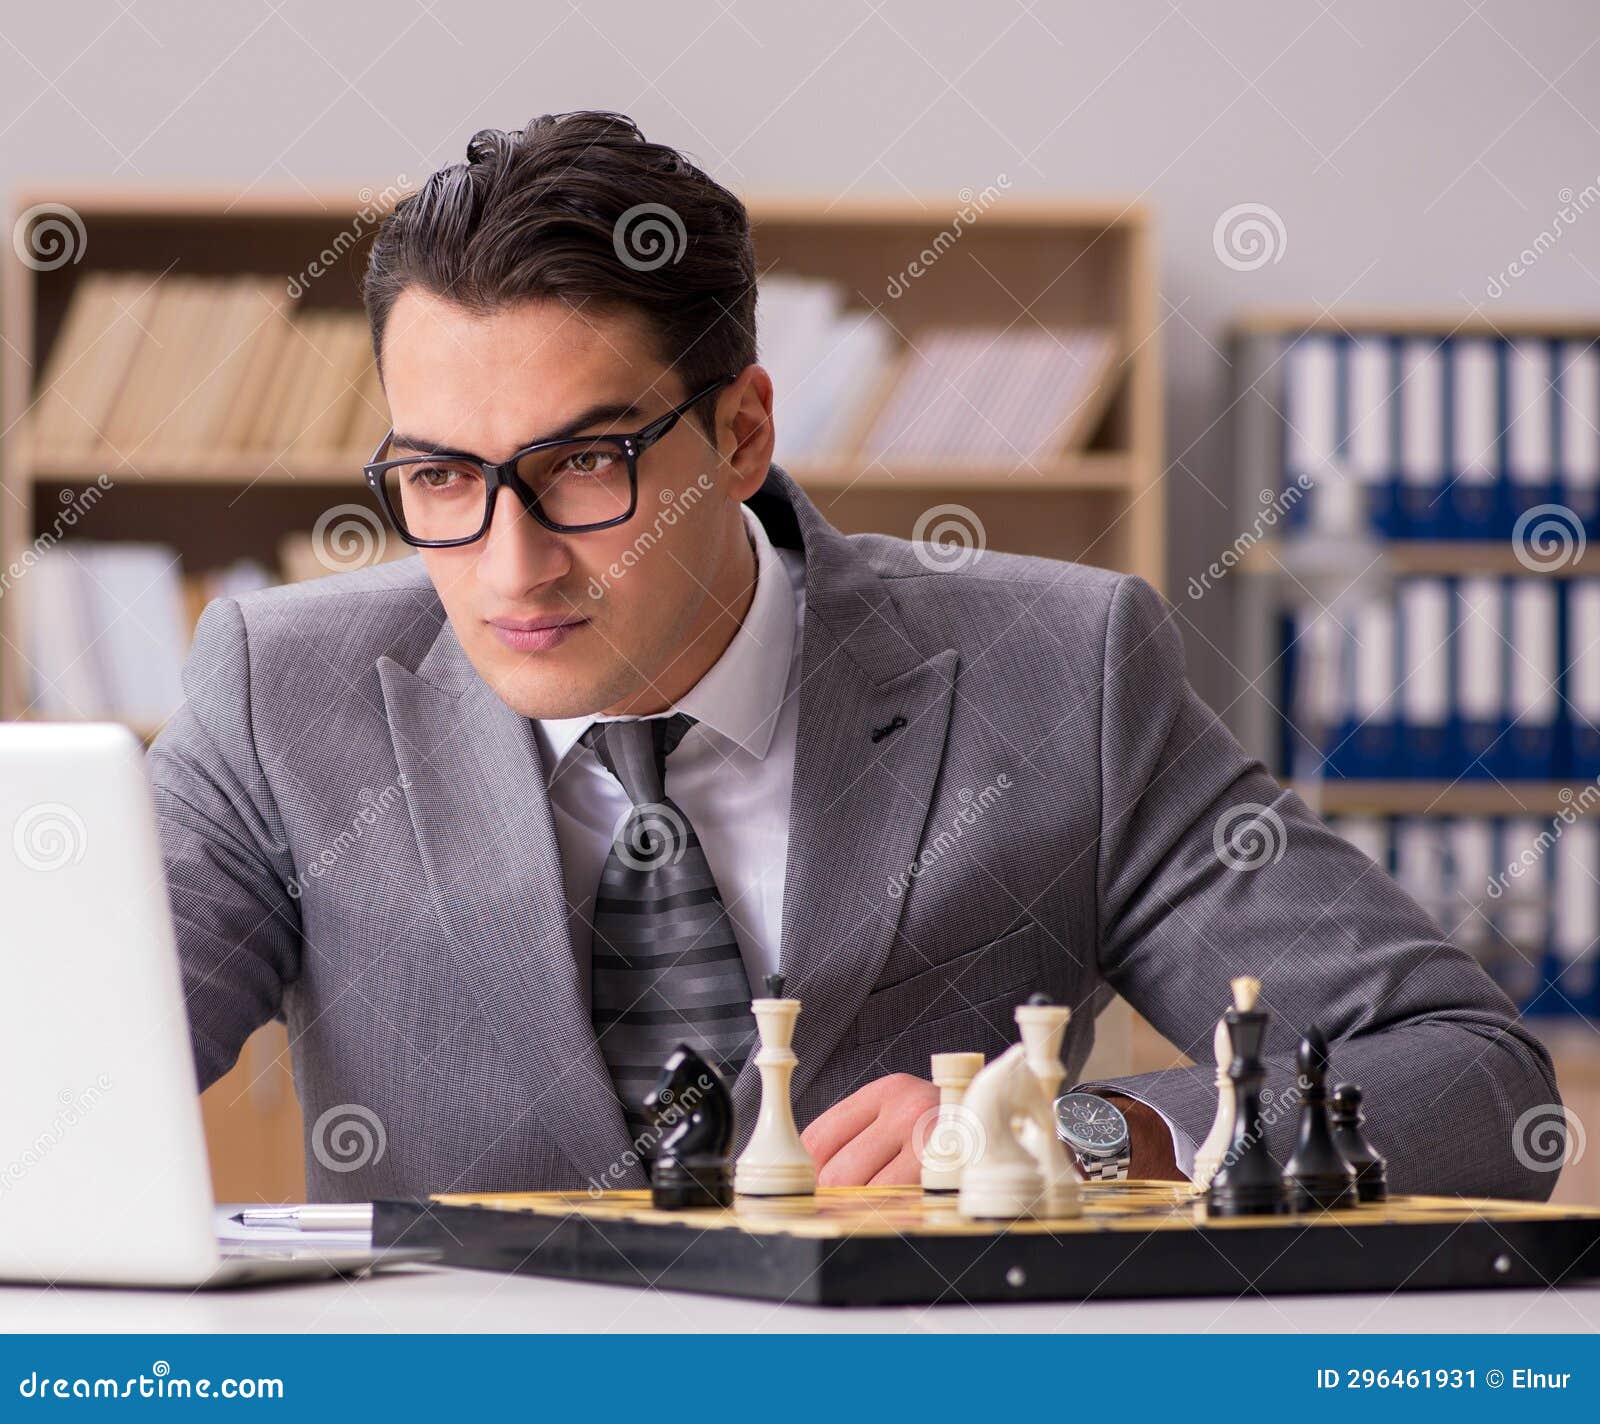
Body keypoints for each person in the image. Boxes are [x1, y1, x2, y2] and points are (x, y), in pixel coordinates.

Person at [151, 110, 1559, 1202]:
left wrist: (1081, 1127)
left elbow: (1477, 1086)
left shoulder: (1063, 672)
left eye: (587, 466)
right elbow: (67, 1070)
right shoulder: (286, 695)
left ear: (745, 433)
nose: (511, 564)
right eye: (442, 478)